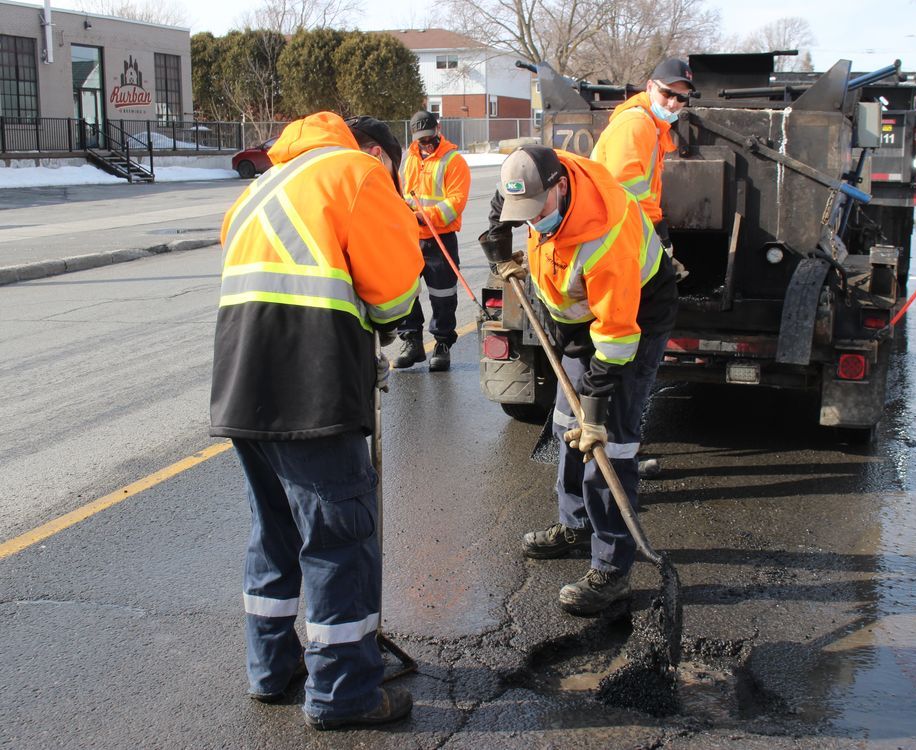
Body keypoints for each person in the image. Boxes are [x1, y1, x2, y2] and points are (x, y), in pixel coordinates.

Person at [210, 111, 424, 730]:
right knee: (338, 540)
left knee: (273, 530)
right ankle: (344, 695)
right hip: (312, 387)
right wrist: (380, 331)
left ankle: (272, 670)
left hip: (240, 384)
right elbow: (391, 291)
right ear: (372, 151)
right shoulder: (357, 174)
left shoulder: (261, 188)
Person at [480, 145, 678, 615]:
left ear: (561, 187)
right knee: (566, 422)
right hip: (575, 316)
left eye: (538, 212)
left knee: (606, 442)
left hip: (631, 321)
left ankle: (612, 568)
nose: (531, 222)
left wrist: (598, 403)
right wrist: (497, 244)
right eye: (522, 214)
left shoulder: (606, 235)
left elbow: (615, 338)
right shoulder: (534, 173)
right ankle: (575, 526)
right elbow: (502, 202)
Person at [591, 57, 695, 283]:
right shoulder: (637, 123)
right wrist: (657, 229)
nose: (673, 103)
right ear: (650, 87)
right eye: (667, 94)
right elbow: (627, 182)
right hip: (613, 226)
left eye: (681, 98)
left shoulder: (651, 125)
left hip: (621, 224)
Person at [394, 109, 472, 372]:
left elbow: (455, 203)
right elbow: (399, 194)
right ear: (414, 137)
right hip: (410, 238)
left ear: (438, 130)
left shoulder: (453, 161)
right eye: (421, 140)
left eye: (430, 138)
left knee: (443, 295)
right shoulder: (408, 160)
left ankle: (442, 343)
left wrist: (423, 216)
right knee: (404, 292)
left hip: (440, 239)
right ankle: (412, 340)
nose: (426, 144)